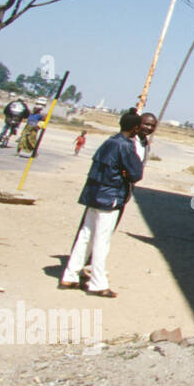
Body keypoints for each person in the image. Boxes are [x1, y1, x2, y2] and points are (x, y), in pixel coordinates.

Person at [58, 110, 145, 298]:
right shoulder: (126, 146)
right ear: (135, 128)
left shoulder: (109, 142)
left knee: (85, 235)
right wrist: (125, 174)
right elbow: (136, 173)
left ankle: (70, 275)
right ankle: (98, 283)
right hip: (110, 197)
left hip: (94, 194)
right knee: (101, 240)